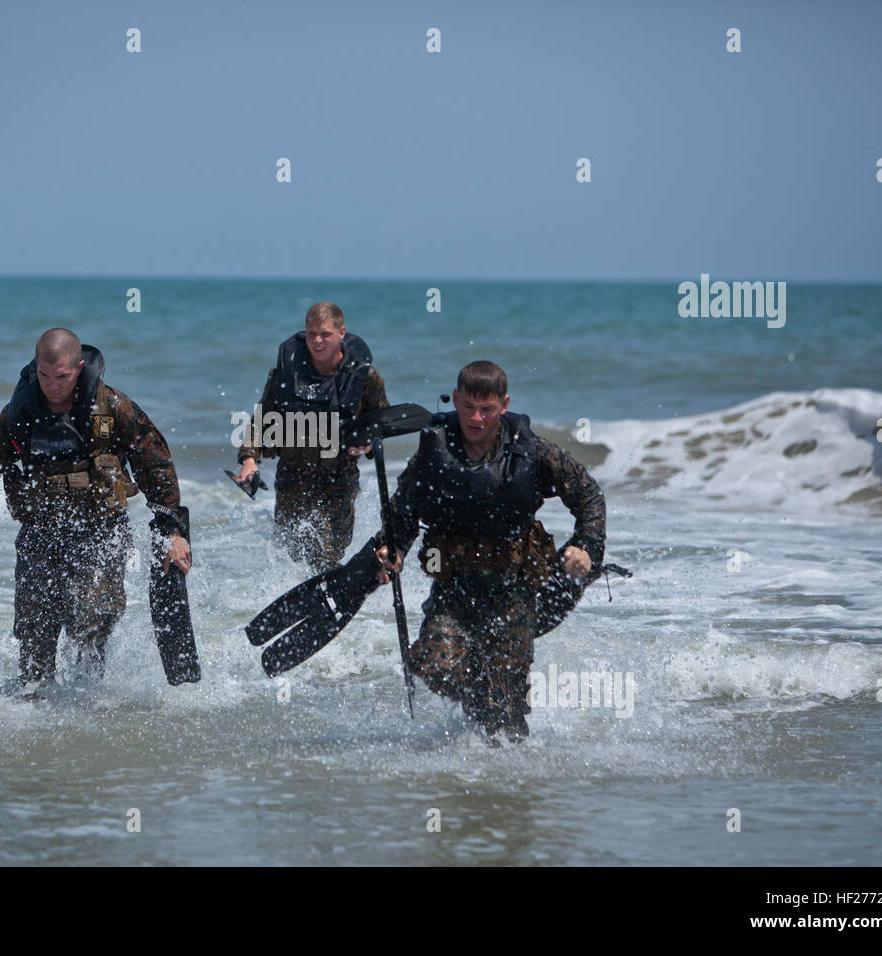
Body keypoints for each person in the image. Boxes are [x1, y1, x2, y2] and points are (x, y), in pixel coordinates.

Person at [0, 328, 191, 689]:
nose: (52, 386)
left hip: (101, 533)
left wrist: (173, 532)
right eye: (44, 375)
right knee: (34, 631)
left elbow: (156, 464)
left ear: (79, 367)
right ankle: (34, 708)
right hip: (40, 535)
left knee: (92, 618)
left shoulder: (113, 407)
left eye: (62, 377)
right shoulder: (20, 413)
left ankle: (89, 707)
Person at [374, 361, 606, 742]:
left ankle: (505, 775)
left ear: (504, 404)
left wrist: (586, 546)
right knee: (433, 664)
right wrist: (395, 547)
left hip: (513, 595)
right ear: (456, 399)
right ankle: (479, 701)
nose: (476, 418)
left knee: (506, 719)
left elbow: (588, 494)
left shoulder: (530, 450)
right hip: (455, 592)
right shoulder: (436, 448)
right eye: (467, 407)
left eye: (487, 409)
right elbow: (406, 506)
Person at [234, 302, 389, 572]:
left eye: (325, 334)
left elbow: (382, 422)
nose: (317, 341)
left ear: (342, 333)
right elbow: (261, 419)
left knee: (326, 557)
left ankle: (331, 605)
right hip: (293, 479)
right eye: (311, 334)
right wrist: (249, 459)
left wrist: (368, 444)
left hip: (338, 481)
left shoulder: (365, 377)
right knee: (292, 560)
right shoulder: (285, 373)